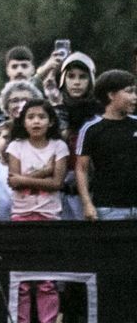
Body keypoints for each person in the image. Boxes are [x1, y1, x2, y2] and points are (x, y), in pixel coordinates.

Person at [5, 99, 68, 323]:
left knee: (46, 277)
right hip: (21, 215)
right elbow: (13, 182)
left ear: (51, 121)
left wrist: (25, 178)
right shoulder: (17, 146)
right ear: (23, 121)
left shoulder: (58, 147)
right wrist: (44, 171)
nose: (36, 121)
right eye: (30, 117)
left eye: (41, 117)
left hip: (49, 216)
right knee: (21, 277)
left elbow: (57, 183)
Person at [75, 69, 137, 221]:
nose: (134, 97)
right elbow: (81, 168)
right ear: (111, 95)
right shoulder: (91, 129)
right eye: (129, 92)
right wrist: (87, 204)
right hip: (107, 208)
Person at [0, 80, 43, 221]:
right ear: (6, 105)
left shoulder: (43, 133)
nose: (20, 104)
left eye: (26, 100)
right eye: (14, 100)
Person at [55, 52, 96, 220]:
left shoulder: (99, 114)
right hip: (58, 190)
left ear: (91, 80)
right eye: (71, 76)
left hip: (92, 190)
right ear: (63, 79)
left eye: (83, 77)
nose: (77, 82)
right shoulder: (52, 115)